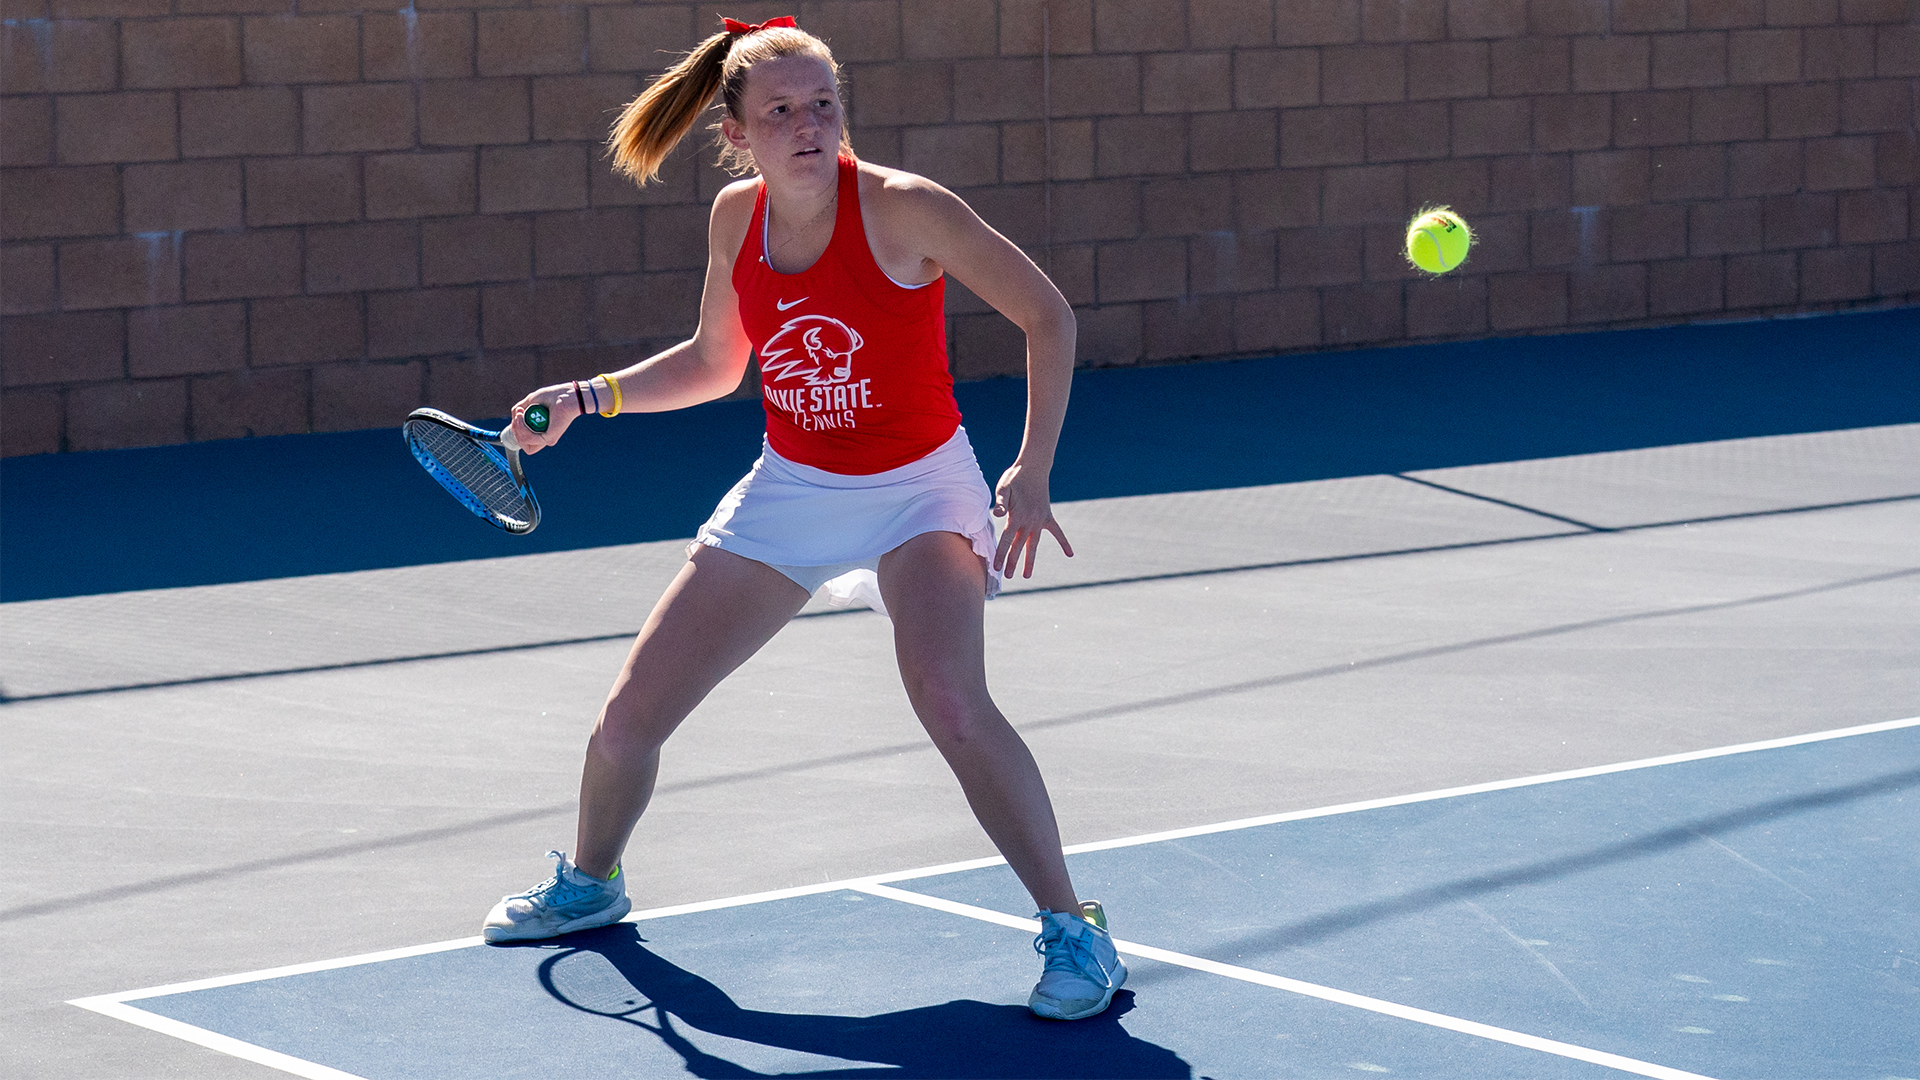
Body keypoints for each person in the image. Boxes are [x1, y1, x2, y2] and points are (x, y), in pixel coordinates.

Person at [479, 16, 1125, 1022]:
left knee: (950, 700)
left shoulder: (907, 208)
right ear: (737, 134)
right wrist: (588, 397)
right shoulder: (736, 219)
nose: (809, 124)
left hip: (921, 488)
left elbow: (1050, 316)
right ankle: (591, 884)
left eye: (823, 103)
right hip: (793, 487)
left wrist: (1032, 468)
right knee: (628, 719)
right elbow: (715, 363)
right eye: (780, 111)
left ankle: (1074, 929)